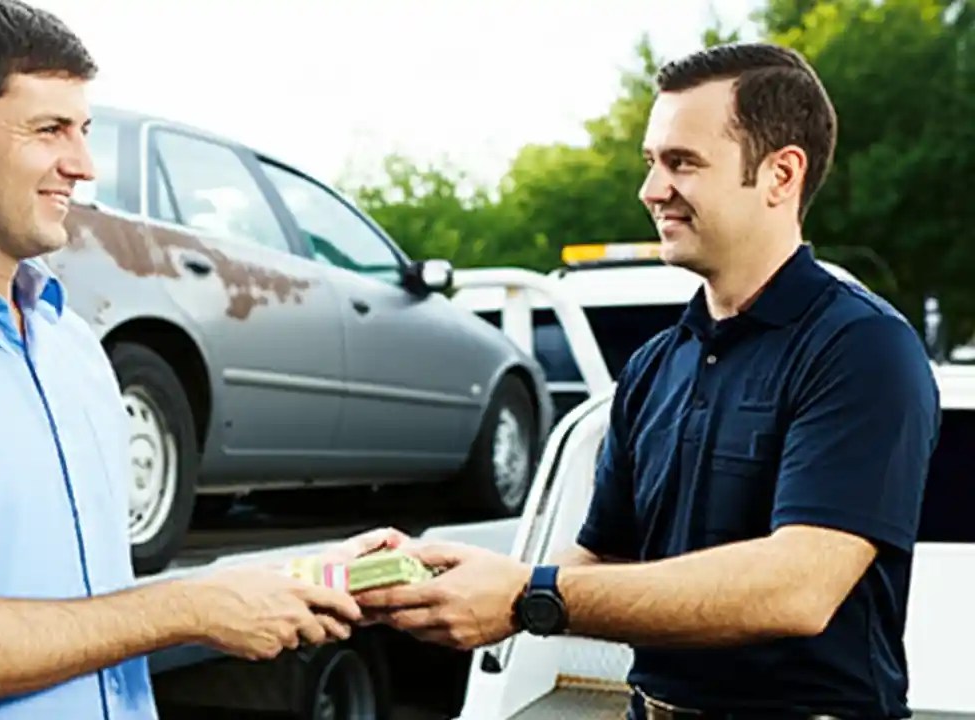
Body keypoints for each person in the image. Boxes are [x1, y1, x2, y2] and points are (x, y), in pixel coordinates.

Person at [0, 1, 403, 717]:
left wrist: (288, 581)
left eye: (84, 130)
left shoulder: (72, 346)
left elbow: (90, 613)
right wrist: (189, 608)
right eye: (49, 130)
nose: (83, 165)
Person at [355, 42, 941, 720]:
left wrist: (525, 597)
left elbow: (798, 588)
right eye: (651, 162)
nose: (651, 189)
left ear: (781, 175)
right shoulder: (656, 364)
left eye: (682, 163)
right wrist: (450, 578)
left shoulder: (861, 347)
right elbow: (599, 556)